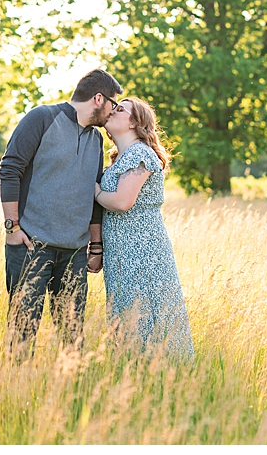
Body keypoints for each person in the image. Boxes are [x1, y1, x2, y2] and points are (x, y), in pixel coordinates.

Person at [0, 67, 117, 353]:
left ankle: (70, 392)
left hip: (74, 252)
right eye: (113, 104)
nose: (114, 111)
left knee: (73, 337)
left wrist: (96, 247)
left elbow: (93, 195)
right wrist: (12, 228)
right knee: (22, 331)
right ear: (98, 99)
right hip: (31, 246)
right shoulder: (42, 118)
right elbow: (9, 169)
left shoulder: (96, 140)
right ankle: (16, 389)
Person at [94, 96, 195, 361]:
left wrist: (94, 191)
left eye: (120, 109)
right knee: (127, 309)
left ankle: (161, 368)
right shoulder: (120, 157)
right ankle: (135, 371)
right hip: (123, 250)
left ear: (135, 122)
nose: (112, 112)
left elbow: (122, 201)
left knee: (147, 307)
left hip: (142, 249)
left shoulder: (140, 153)